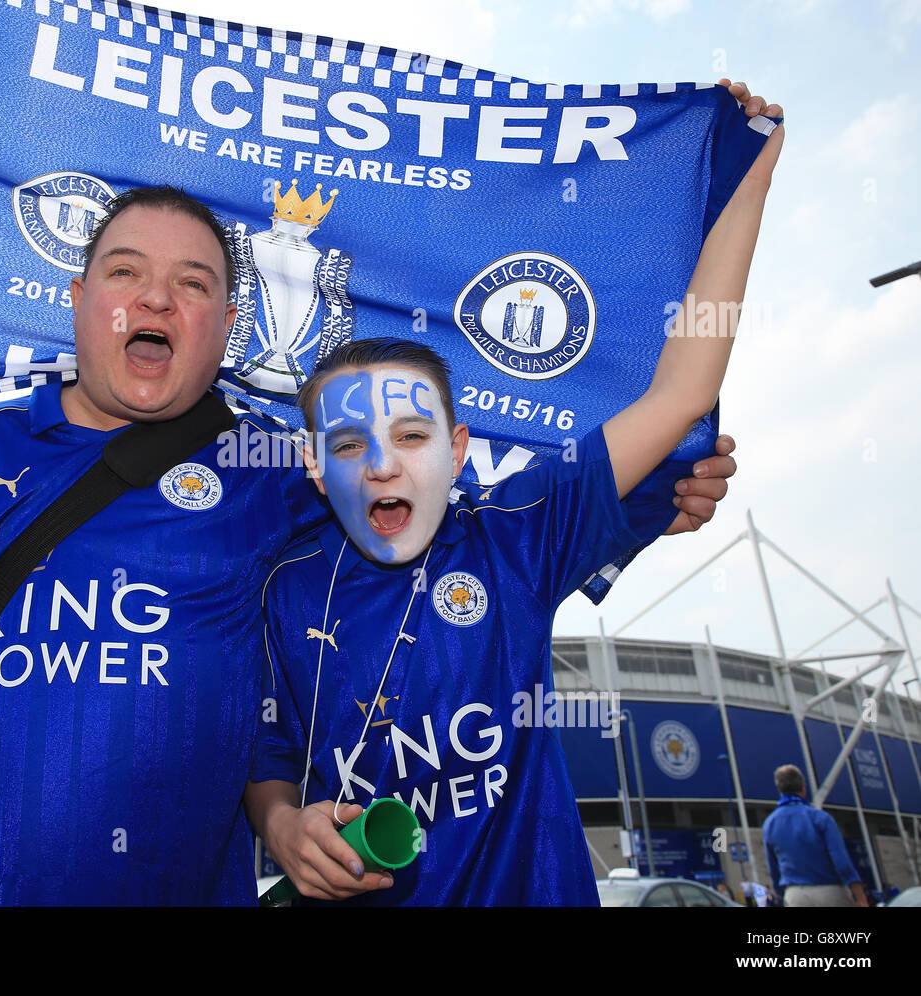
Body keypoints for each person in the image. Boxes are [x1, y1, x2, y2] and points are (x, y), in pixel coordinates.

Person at [0, 182, 737, 903]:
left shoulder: (272, 463)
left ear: (224, 325)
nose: (154, 299)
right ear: (80, 299)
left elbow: (432, 526)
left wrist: (657, 489)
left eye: (191, 284)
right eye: (124, 273)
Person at [244, 82, 782, 905]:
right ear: (316, 468)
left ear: (458, 452)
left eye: (413, 436)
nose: (384, 465)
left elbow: (679, 394)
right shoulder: (282, 585)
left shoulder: (517, 534)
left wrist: (744, 175)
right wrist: (284, 827)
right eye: (351, 446)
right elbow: (268, 758)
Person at [762, 764, 867, 908]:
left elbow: (773, 868)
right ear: (803, 788)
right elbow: (841, 861)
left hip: (795, 894)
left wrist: (781, 894)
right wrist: (859, 895)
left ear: (779, 789)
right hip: (829, 890)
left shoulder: (770, 823)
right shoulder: (820, 818)